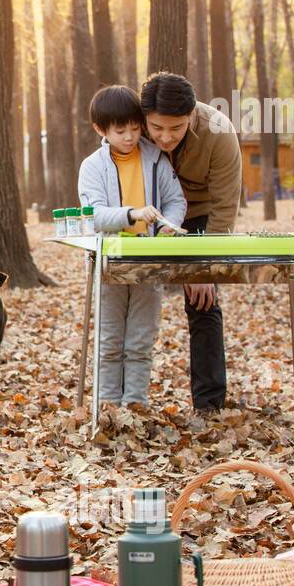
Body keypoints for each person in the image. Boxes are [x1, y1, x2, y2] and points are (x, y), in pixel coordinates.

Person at [139, 72, 243, 412]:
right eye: (156, 128)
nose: (165, 137)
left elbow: (225, 208)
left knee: (203, 303)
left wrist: (203, 268)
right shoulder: (133, 124)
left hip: (200, 215)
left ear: (191, 117)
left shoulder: (219, 131)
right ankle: (127, 402)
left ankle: (209, 403)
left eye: (175, 128)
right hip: (147, 210)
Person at [78, 86, 187, 407]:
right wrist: (132, 214)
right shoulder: (92, 166)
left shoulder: (156, 158)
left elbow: (175, 200)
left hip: (150, 261)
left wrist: (168, 225)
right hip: (110, 263)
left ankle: (136, 405)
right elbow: (93, 214)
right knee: (110, 340)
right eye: (120, 130)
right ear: (101, 129)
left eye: (135, 128)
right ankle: (108, 407)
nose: (129, 137)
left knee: (140, 339)